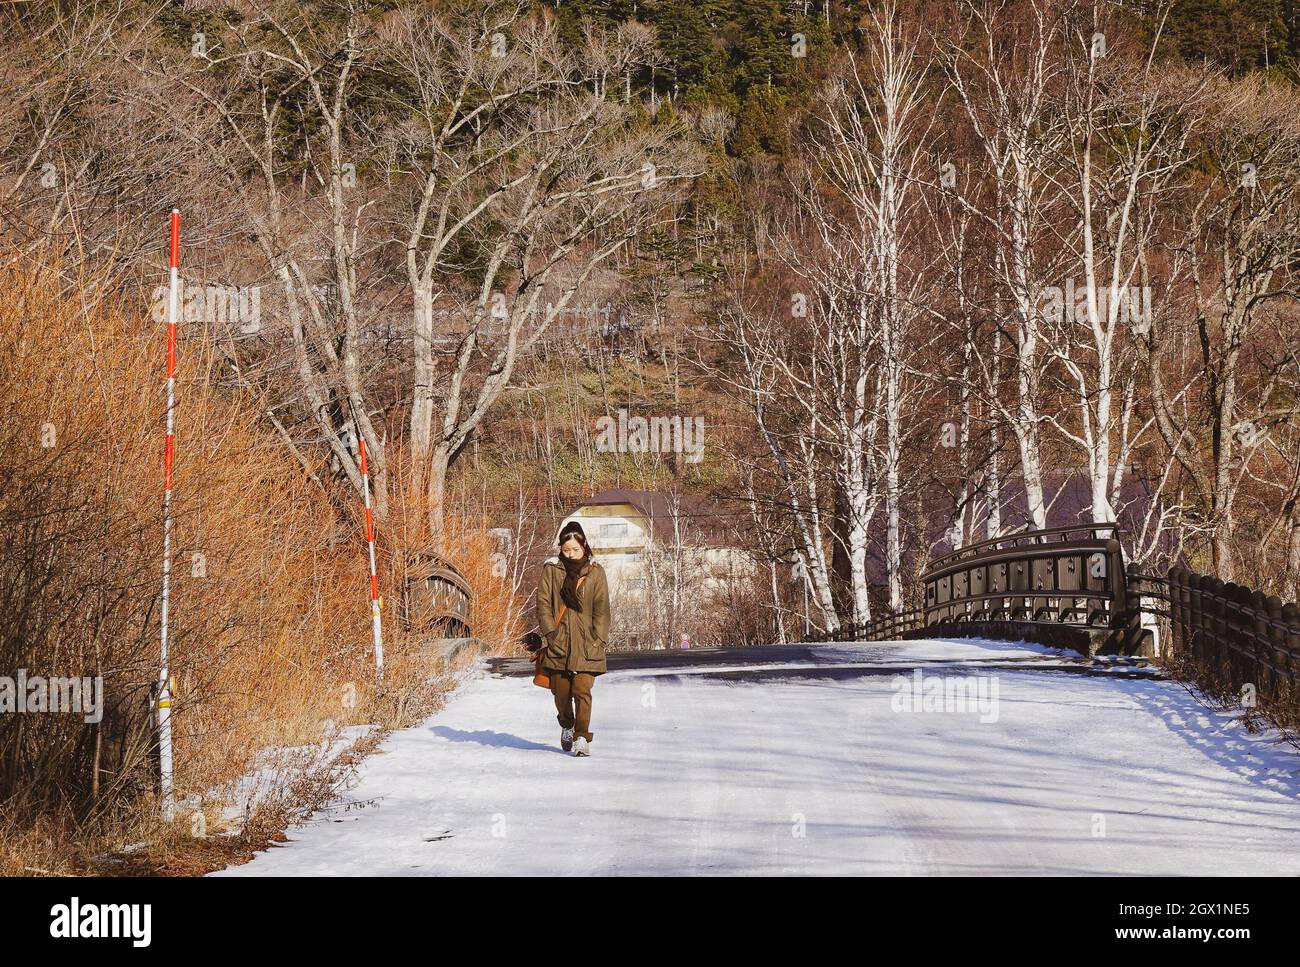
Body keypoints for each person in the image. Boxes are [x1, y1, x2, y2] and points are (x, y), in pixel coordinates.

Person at [535, 521, 610, 757]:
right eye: (566, 550)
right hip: (559, 643)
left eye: (575, 550)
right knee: (561, 693)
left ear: (584, 546)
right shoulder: (552, 570)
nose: (570, 554)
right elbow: (543, 604)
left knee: (582, 691)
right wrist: (551, 634)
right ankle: (567, 725)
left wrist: (598, 638)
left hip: (588, 644)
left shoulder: (595, 572)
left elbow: (602, 608)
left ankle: (581, 738)